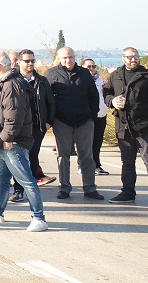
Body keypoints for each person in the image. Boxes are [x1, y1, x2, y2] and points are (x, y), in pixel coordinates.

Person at [0, 51, 48, 232]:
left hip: (11, 142)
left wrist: (8, 137)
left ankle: (39, 218)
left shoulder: (11, 84)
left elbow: (14, 114)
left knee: (27, 180)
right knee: (2, 180)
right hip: (2, 142)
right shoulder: (4, 81)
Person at [107, 48, 148, 208]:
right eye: (130, 57)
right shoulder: (115, 75)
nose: (133, 59)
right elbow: (106, 92)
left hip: (145, 127)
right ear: (123, 58)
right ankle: (127, 193)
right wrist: (112, 101)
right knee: (127, 162)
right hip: (123, 126)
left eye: (136, 56)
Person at [47, 47, 104, 201]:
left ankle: (90, 188)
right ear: (59, 58)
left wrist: (92, 116)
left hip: (84, 121)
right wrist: (51, 119)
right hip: (61, 121)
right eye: (65, 58)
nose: (68, 60)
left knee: (87, 156)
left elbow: (93, 96)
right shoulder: (51, 74)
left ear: (75, 57)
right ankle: (64, 188)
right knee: (63, 156)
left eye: (71, 57)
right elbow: (47, 99)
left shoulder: (84, 73)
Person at [11, 49, 55, 201]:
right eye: (27, 61)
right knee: (18, 159)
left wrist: (49, 122)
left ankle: (30, 190)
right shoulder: (13, 80)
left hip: (37, 127)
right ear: (19, 62)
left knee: (33, 157)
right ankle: (18, 190)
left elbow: (50, 102)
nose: (30, 63)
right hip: (18, 127)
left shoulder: (41, 81)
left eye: (32, 61)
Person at [83, 57, 110, 176]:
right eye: (88, 66)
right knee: (87, 143)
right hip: (88, 115)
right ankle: (83, 166)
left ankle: (96, 165)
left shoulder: (99, 79)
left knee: (97, 142)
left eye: (93, 66)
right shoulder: (81, 79)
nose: (91, 69)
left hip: (101, 114)